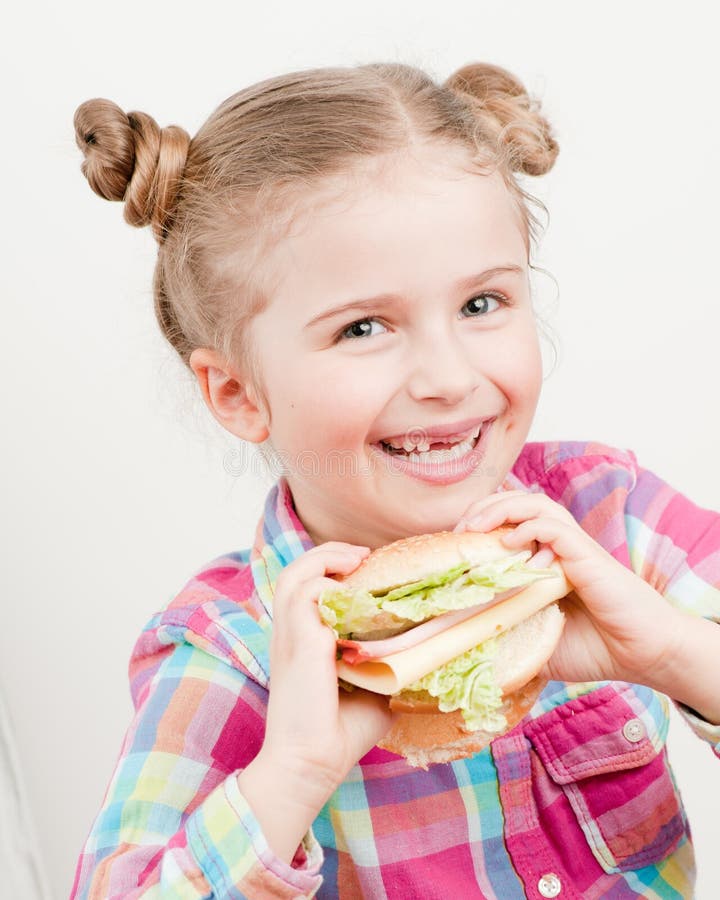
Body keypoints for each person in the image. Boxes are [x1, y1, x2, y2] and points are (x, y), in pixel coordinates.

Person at [70, 61, 720, 899]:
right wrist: (295, 771)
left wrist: (672, 651)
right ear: (237, 393)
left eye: (482, 304)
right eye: (364, 327)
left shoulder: (610, 513)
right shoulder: (231, 648)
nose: (448, 377)